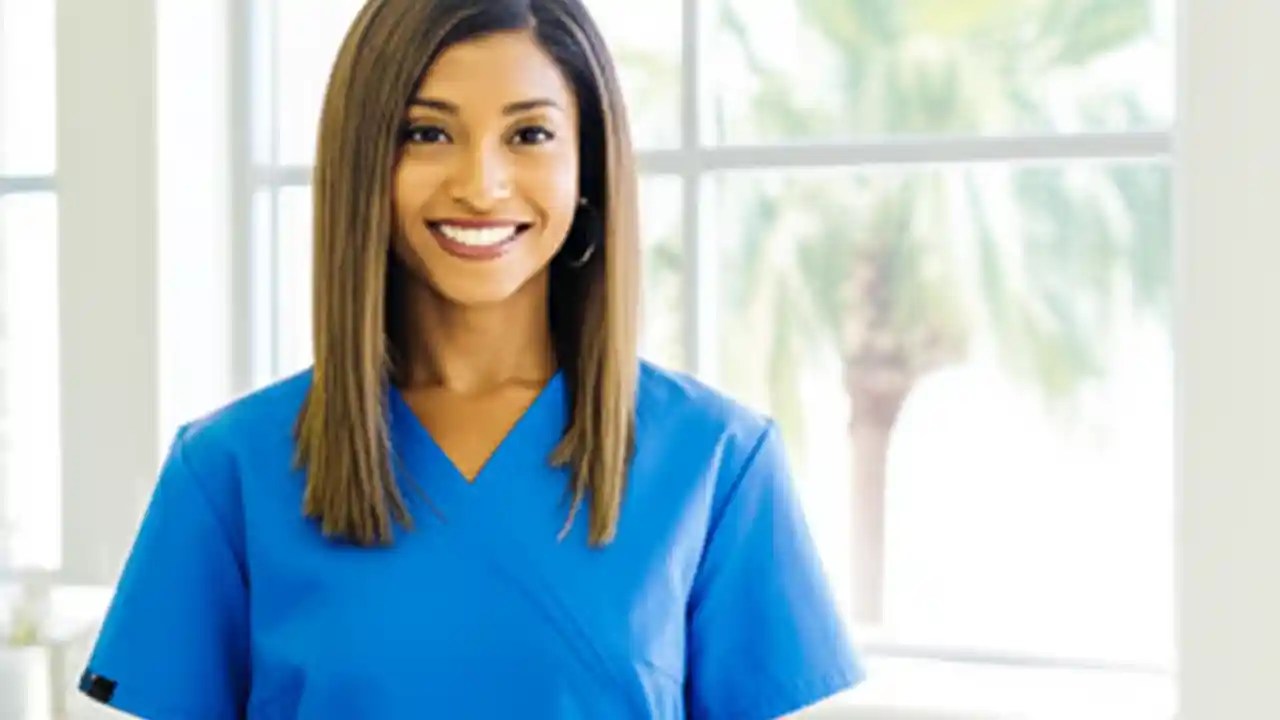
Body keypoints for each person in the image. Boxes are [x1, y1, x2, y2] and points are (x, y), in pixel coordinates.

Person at [78, 0, 864, 717]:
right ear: (365, 165)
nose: (481, 185)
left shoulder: (717, 465)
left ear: (587, 164)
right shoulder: (227, 472)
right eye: (427, 133)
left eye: (529, 135)